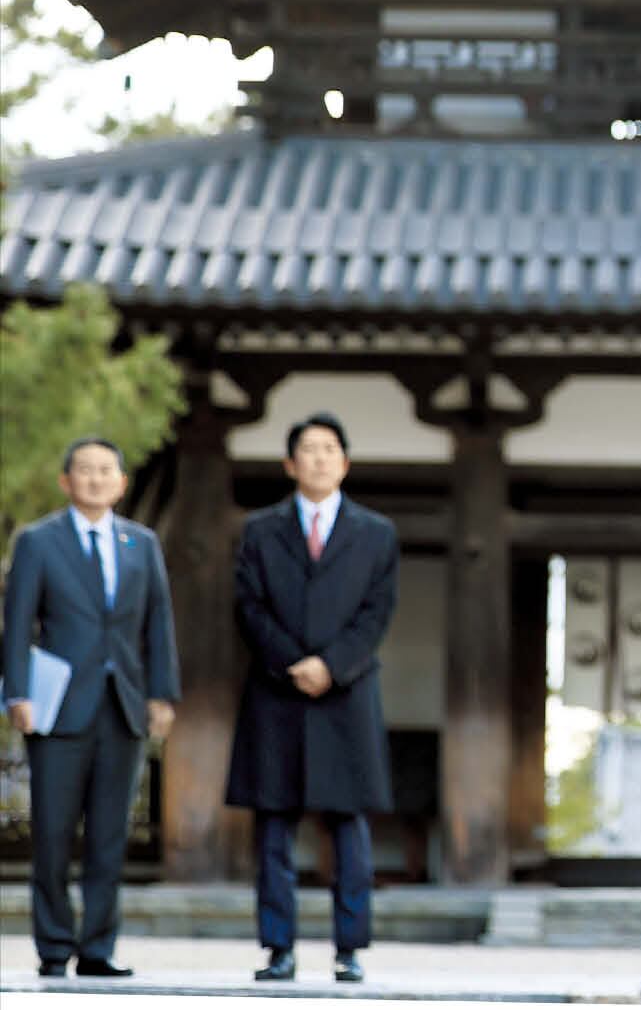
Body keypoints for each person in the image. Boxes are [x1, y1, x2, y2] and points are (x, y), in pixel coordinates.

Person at [226, 412, 399, 985]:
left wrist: (332, 664)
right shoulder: (260, 530)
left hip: (346, 693)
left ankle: (350, 948)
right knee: (273, 825)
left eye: (329, 449)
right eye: (308, 449)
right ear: (289, 464)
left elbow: (378, 611)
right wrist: (291, 663)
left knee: (348, 826)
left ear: (344, 463)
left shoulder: (376, 533)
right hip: (277, 692)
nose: (319, 458)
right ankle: (278, 948)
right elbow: (249, 607)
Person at [2, 438, 179, 979]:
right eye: (85, 470)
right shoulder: (38, 542)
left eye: (106, 470)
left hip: (122, 704)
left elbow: (158, 624)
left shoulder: (141, 544)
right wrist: (17, 693)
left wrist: (162, 694)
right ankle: (54, 945)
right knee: (53, 833)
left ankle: (98, 947)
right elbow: (17, 623)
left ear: (122, 482)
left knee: (109, 835)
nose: (96, 479)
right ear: (67, 481)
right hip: (57, 707)